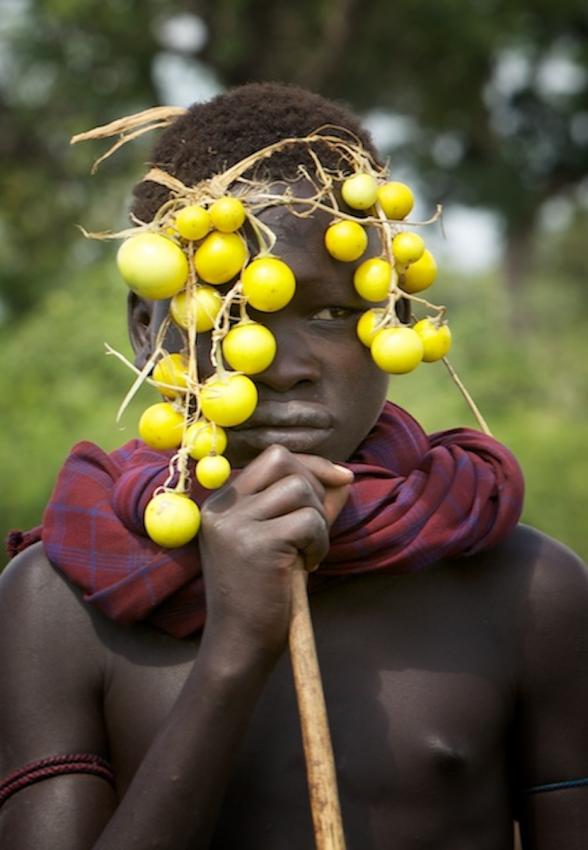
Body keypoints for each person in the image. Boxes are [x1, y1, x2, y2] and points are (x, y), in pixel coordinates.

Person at [1, 83, 587, 850]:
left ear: (393, 324)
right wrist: (235, 651)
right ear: (149, 332)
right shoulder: (55, 606)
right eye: (232, 311)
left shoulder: (527, 591)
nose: (283, 367)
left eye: (334, 315)